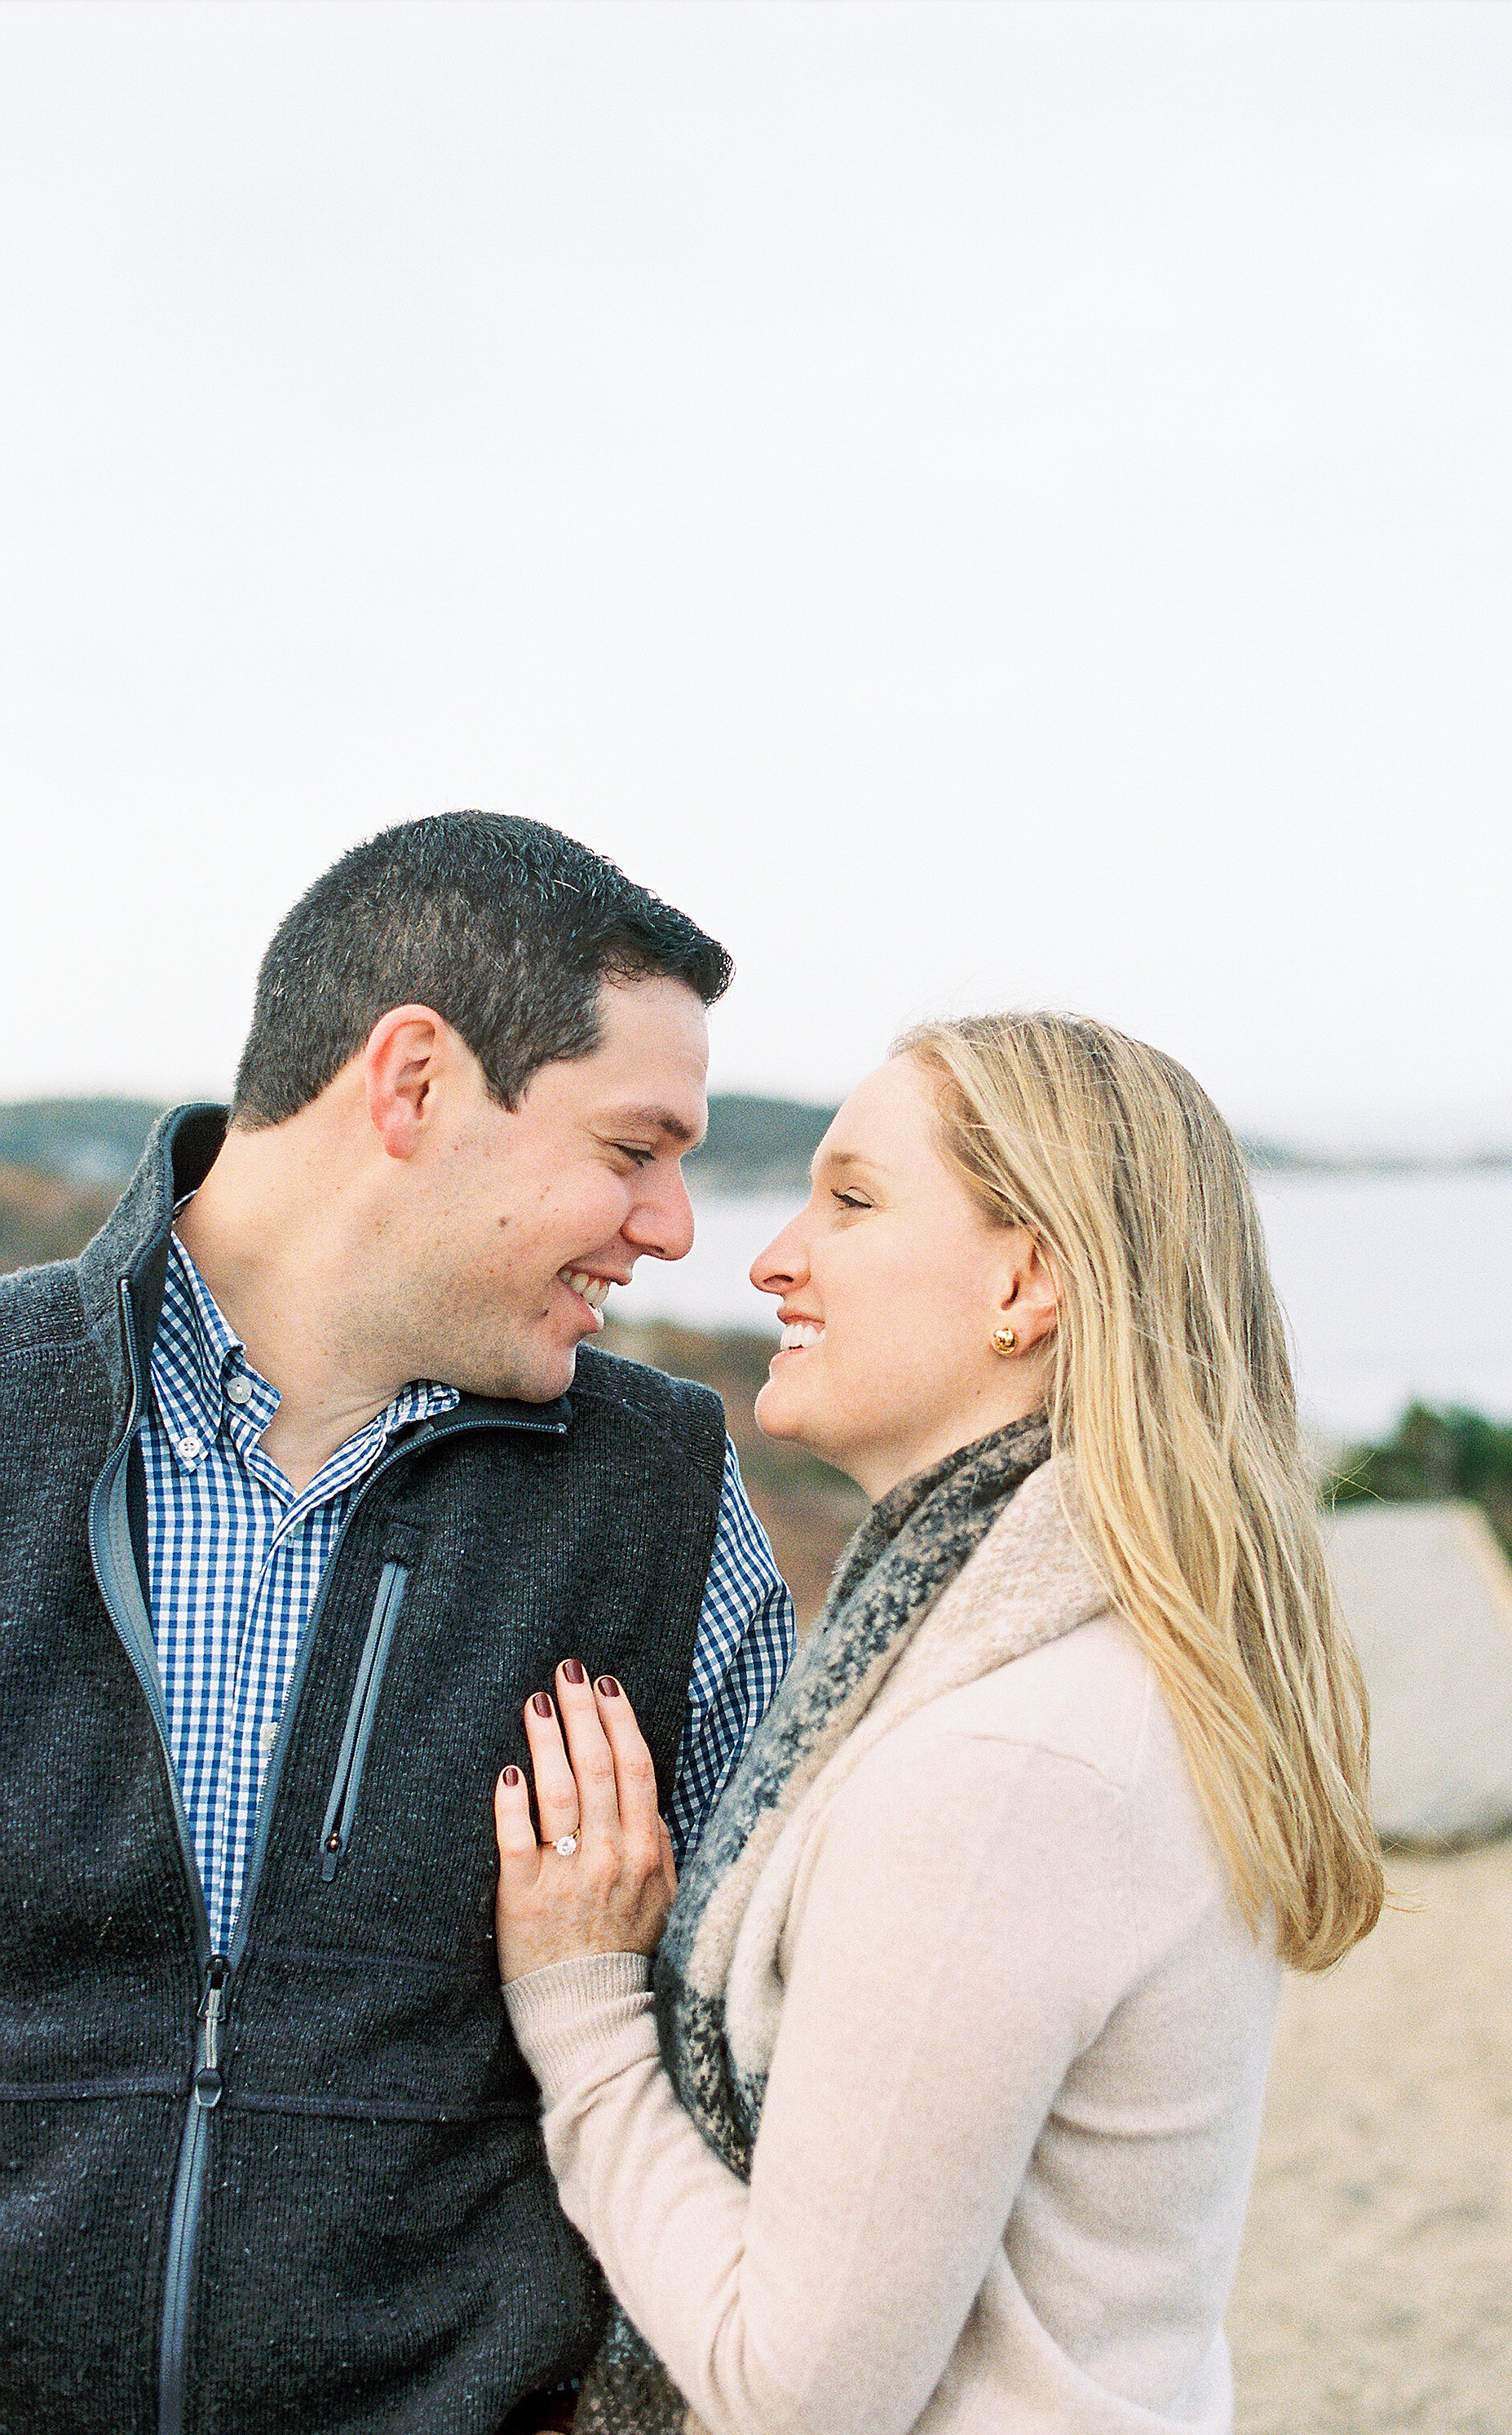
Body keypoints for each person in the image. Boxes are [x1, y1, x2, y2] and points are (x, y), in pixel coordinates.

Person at [0, 813, 796, 2435]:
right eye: (632, 1146)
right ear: (414, 1083)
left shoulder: (663, 1492)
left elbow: (779, 2053)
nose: (671, 1227)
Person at [491, 1011, 1387, 2435]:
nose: (774, 1257)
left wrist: (579, 2000)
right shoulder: (1061, 1662)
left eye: (850, 1200)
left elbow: (801, 2395)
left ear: (1026, 1280)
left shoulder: (1004, 1759)